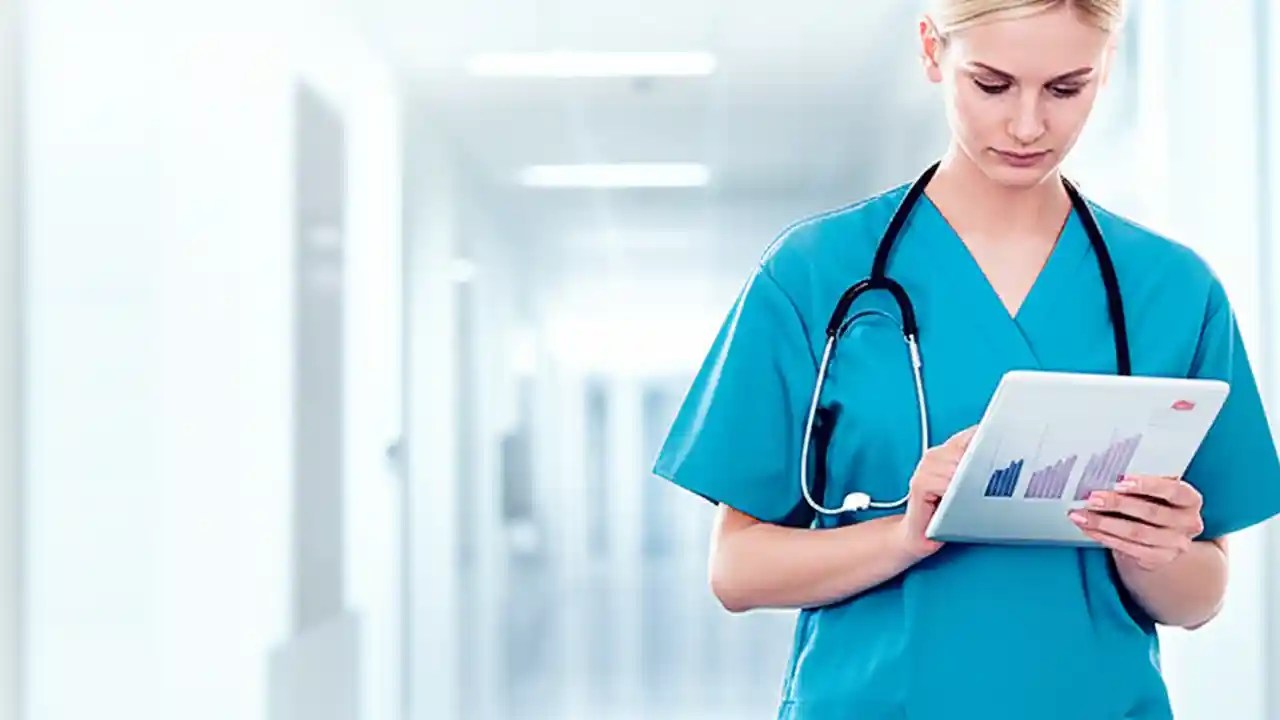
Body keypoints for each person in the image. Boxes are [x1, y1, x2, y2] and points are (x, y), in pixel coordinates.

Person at [650, 0, 1280, 718]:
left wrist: (1151, 552)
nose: (1027, 125)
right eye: (992, 84)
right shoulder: (815, 275)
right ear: (931, 51)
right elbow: (737, 571)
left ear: (1106, 67)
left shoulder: (1172, 290)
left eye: (1066, 88)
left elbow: (1203, 595)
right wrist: (906, 536)